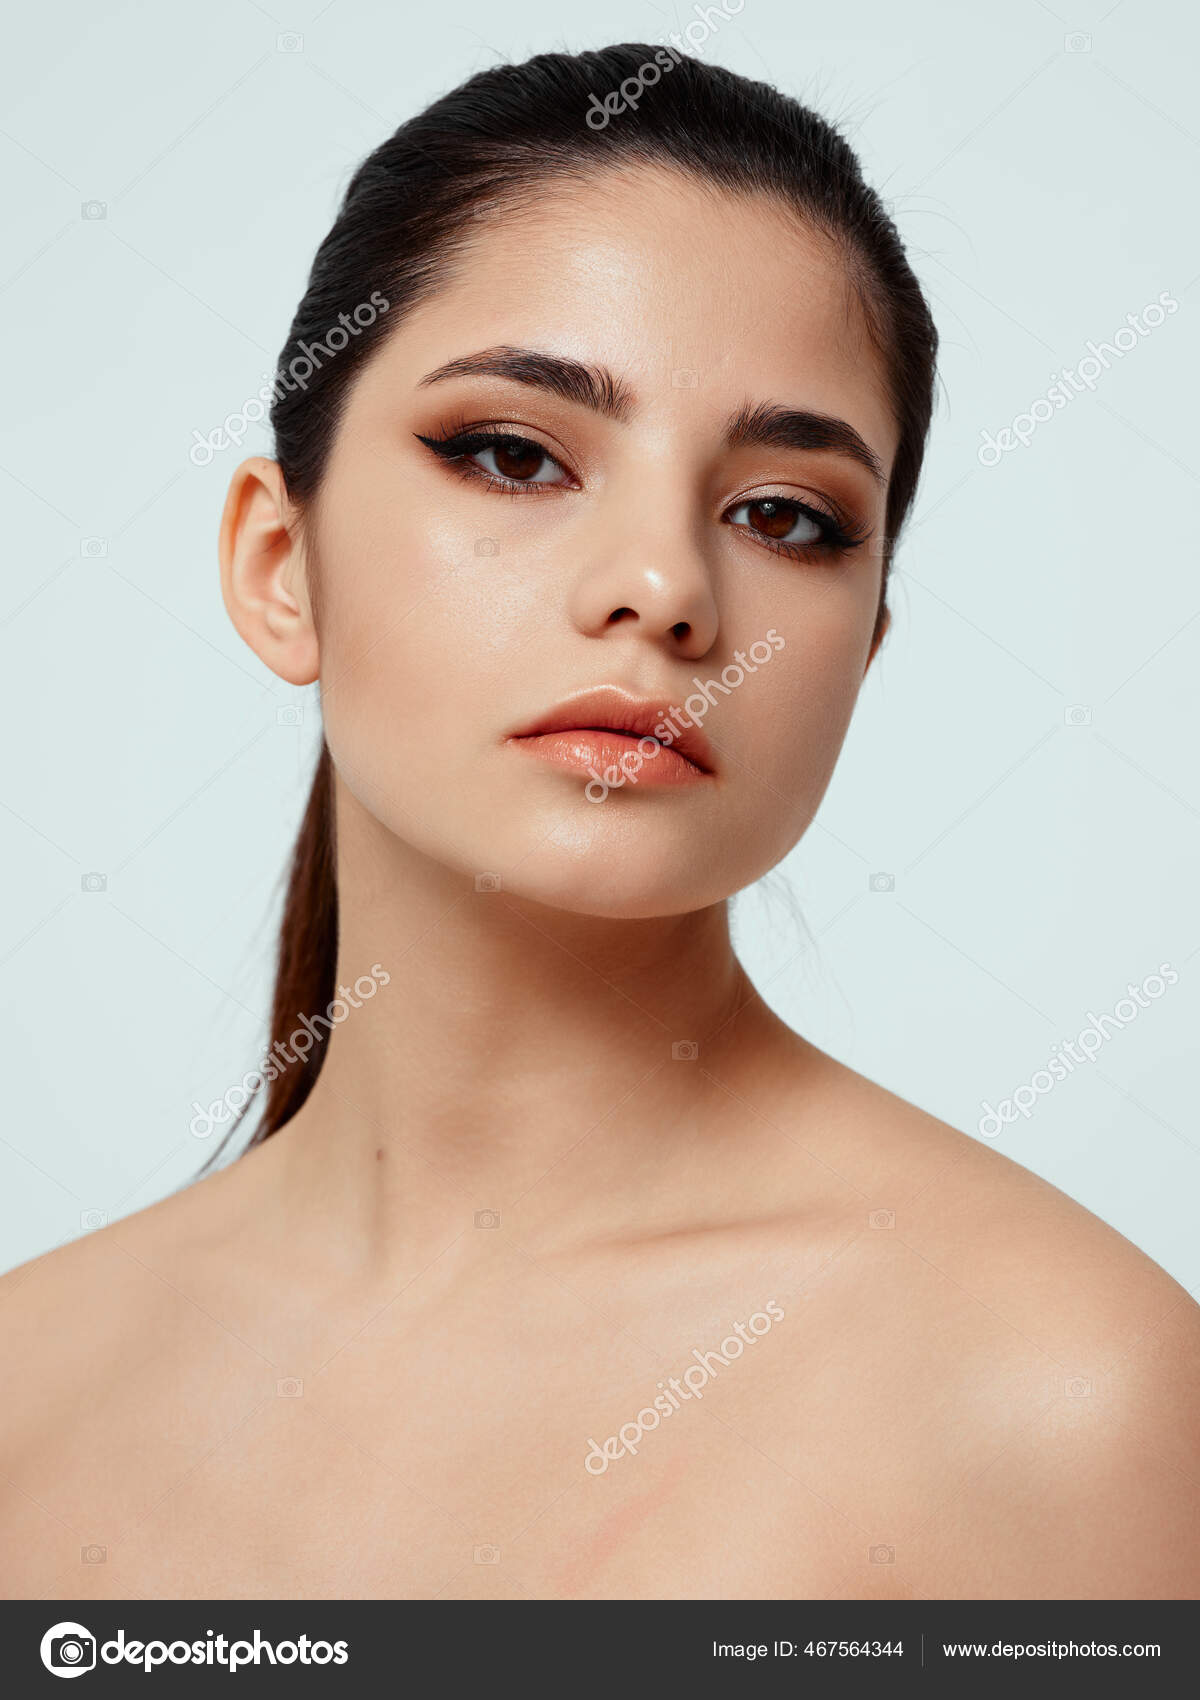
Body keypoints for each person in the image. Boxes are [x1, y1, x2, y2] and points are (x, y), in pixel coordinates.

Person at [2, 45, 1197, 1602]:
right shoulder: (33, 1390)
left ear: (867, 642)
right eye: (514, 454)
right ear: (279, 563)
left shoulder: (1068, 1397)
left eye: (786, 515)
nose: (666, 590)